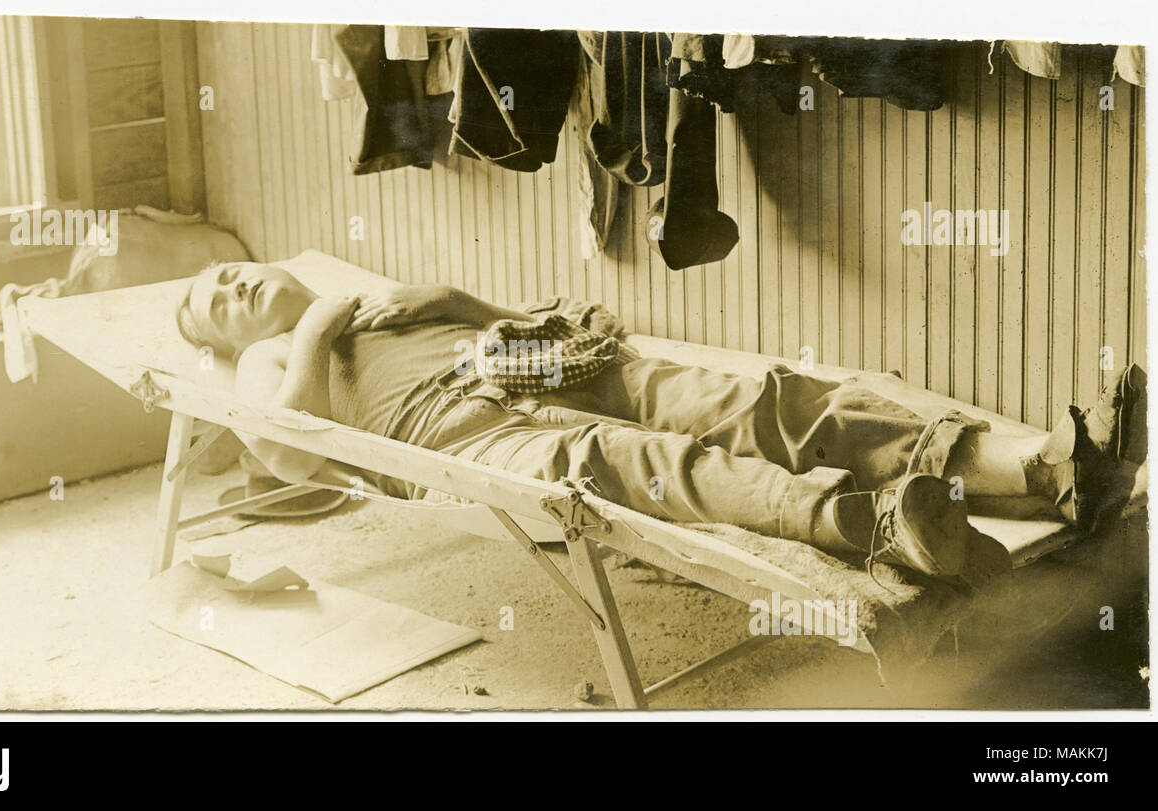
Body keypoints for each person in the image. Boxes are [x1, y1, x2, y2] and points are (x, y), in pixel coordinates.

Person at [175, 261, 1145, 586]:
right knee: (646, 464)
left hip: (535, 362)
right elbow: (284, 446)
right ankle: (882, 525)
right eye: (217, 300)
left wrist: (454, 299)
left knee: (754, 401)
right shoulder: (270, 355)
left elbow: (518, 321)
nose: (232, 285)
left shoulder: (371, 292)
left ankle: (1044, 463)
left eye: (228, 275)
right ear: (228, 340)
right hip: (461, 434)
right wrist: (309, 327)